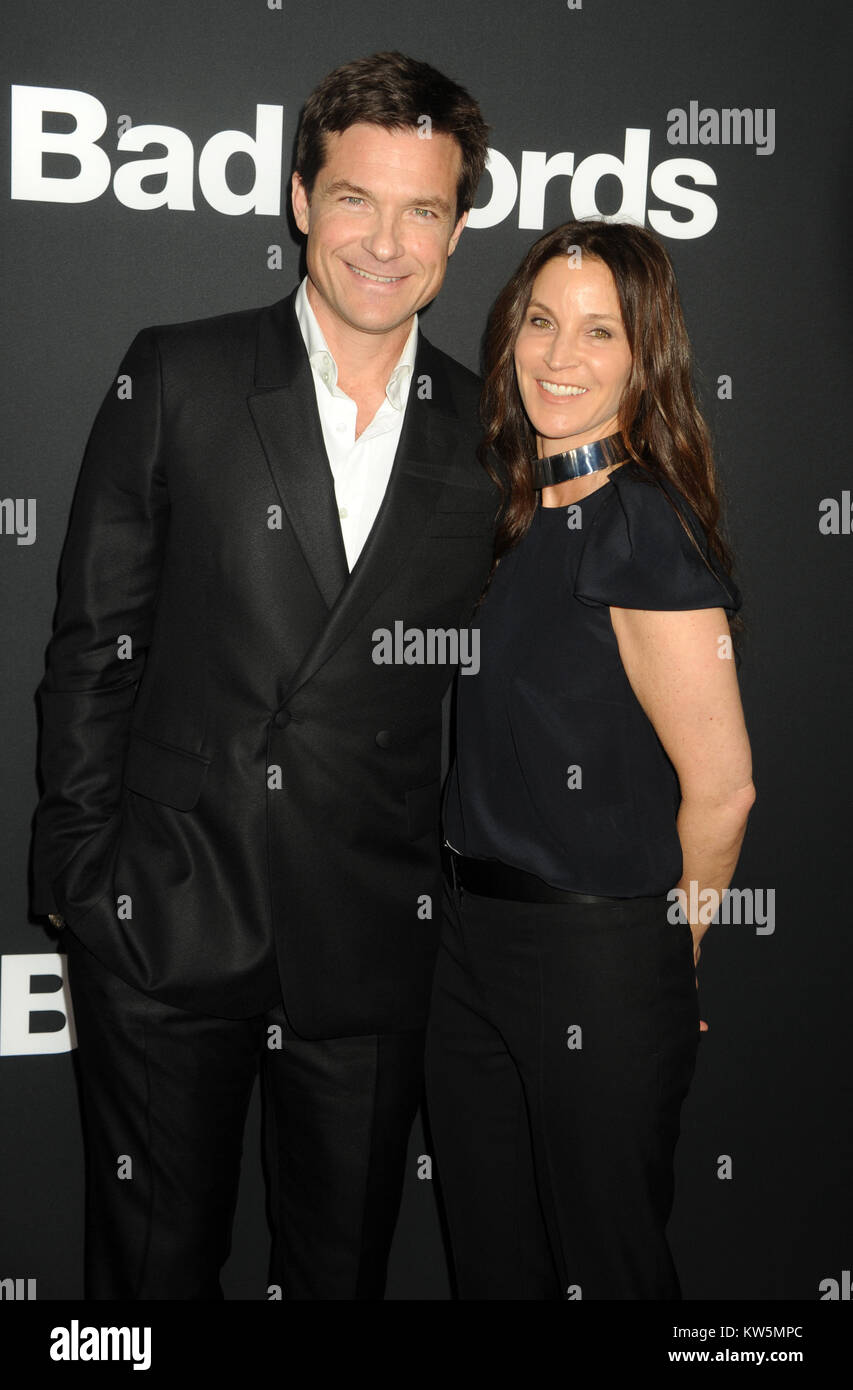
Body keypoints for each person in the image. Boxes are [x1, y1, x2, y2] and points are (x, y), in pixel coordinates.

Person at [30, 51, 494, 1300]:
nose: (385, 242)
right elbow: (93, 647)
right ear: (300, 198)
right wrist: (82, 878)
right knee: (145, 1281)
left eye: (423, 210)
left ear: (457, 227)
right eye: (356, 198)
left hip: (365, 945)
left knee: (336, 1275)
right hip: (169, 917)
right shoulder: (177, 375)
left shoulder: (488, 427)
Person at [425, 219, 756, 1300]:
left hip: (597, 955)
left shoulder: (641, 526)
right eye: (539, 321)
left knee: (608, 1271)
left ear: (643, 356)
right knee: (495, 1266)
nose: (558, 357)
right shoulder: (521, 513)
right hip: (471, 944)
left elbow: (723, 787)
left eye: (598, 332)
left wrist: (670, 961)